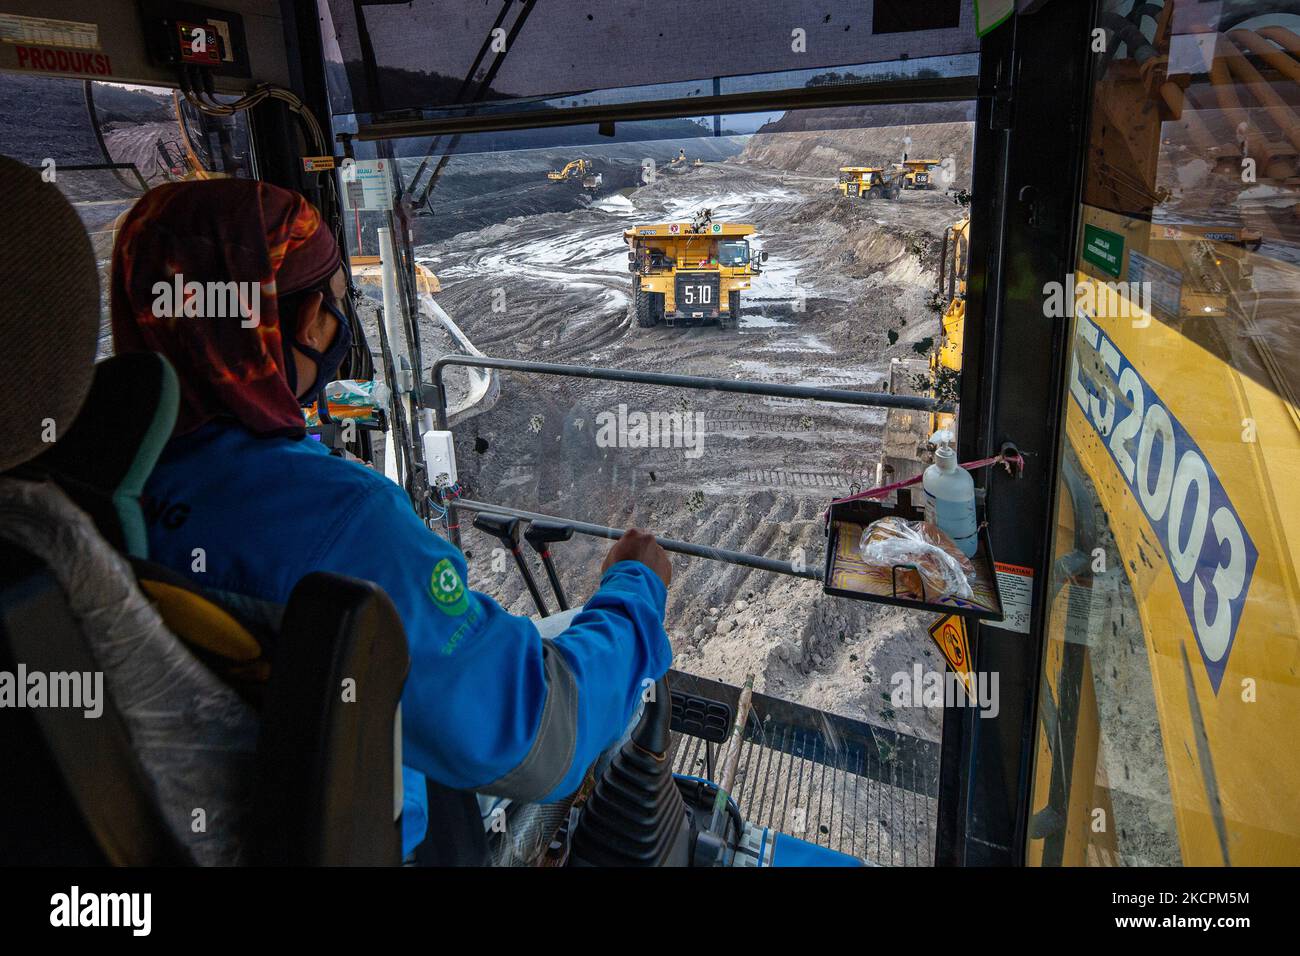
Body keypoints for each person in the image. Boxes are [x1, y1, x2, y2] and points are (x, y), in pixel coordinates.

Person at [111, 179, 674, 857]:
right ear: (272, 325)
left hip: (218, 822)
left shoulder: (101, 483)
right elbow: (540, 736)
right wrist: (634, 593)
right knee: (616, 671)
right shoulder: (337, 518)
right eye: (331, 307)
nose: (338, 331)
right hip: (374, 837)